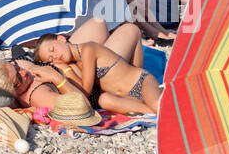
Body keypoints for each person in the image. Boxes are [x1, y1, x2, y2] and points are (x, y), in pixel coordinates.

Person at [32, 35, 161, 115]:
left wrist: (65, 69)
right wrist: (66, 69)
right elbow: (81, 93)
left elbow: (86, 91)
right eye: (50, 60)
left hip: (142, 81)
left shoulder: (88, 49)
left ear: (61, 39)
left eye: (52, 50)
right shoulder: (76, 64)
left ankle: (158, 109)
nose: (55, 57)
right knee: (104, 100)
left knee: (156, 105)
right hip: (127, 97)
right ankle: (152, 112)